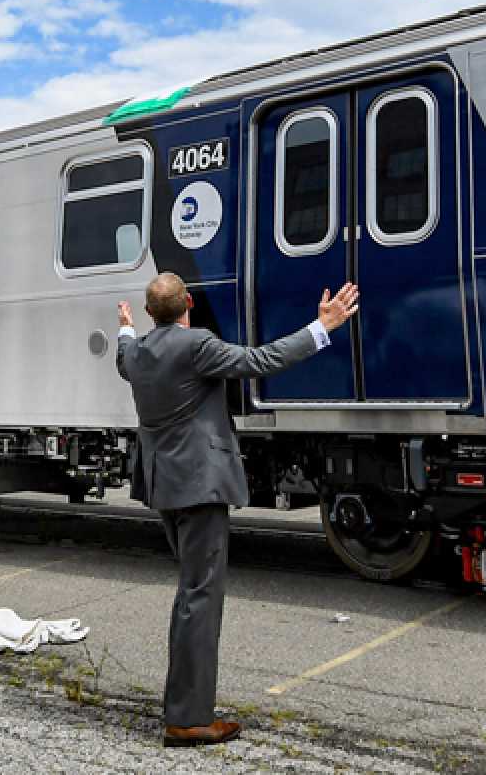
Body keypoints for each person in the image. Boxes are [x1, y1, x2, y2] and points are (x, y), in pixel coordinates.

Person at [115, 273, 360, 747]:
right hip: (199, 486)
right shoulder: (197, 344)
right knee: (201, 598)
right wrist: (322, 326)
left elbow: (123, 357)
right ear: (189, 303)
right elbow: (259, 360)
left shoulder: (137, 351)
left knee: (191, 593)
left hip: (164, 484)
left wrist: (124, 327)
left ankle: (183, 707)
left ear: (149, 314)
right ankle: (188, 718)